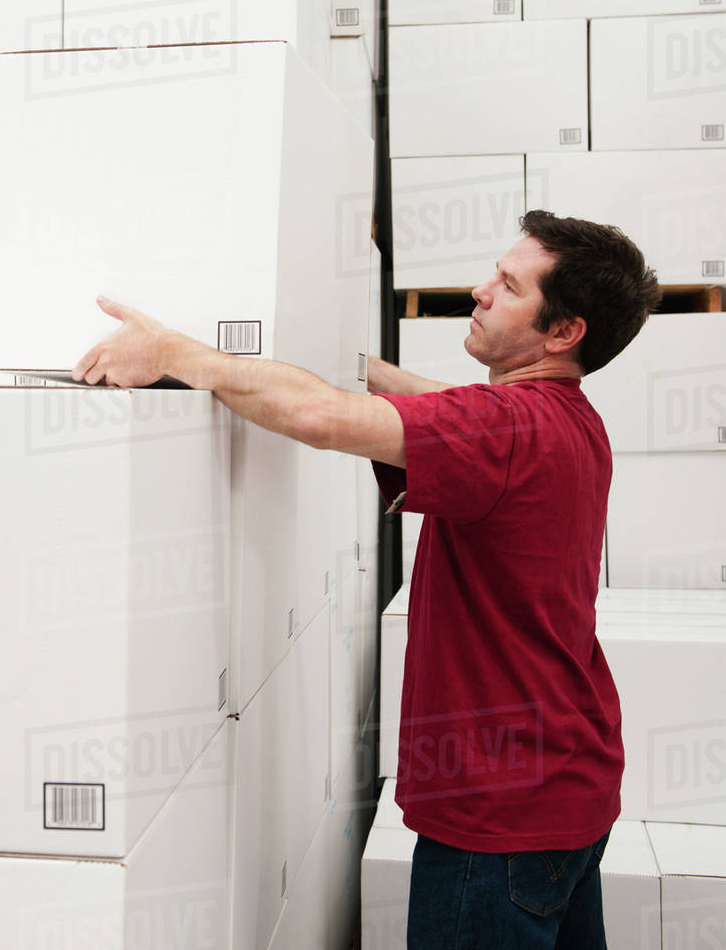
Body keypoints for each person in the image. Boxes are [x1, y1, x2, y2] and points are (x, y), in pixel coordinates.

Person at [73, 210, 661, 950]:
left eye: (508, 286)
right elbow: (446, 411)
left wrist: (179, 353)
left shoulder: (504, 430)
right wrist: (363, 369)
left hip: (497, 820)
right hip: (570, 790)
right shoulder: (569, 421)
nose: (479, 291)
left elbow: (320, 420)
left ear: (563, 332)